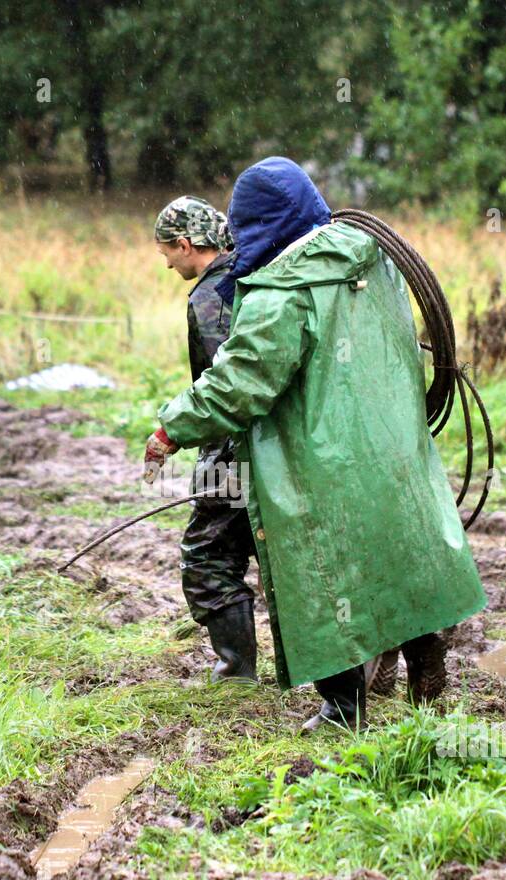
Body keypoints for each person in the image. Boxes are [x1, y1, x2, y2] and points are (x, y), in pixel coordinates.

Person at [143, 158, 487, 730]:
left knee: (322, 576)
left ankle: (341, 709)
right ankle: (426, 672)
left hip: (317, 460)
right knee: (396, 554)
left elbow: (240, 383)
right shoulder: (376, 263)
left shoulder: (281, 291)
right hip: (391, 448)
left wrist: (171, 428)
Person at [151, 196, 257, 682]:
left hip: (238, 448)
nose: (168, 263)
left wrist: (175, 432)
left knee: (208, 554)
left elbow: (226, 389)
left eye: (167, 253)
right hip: (282, 442)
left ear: (187, 244)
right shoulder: (257, 272)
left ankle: (235, 673)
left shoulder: (214, 294)